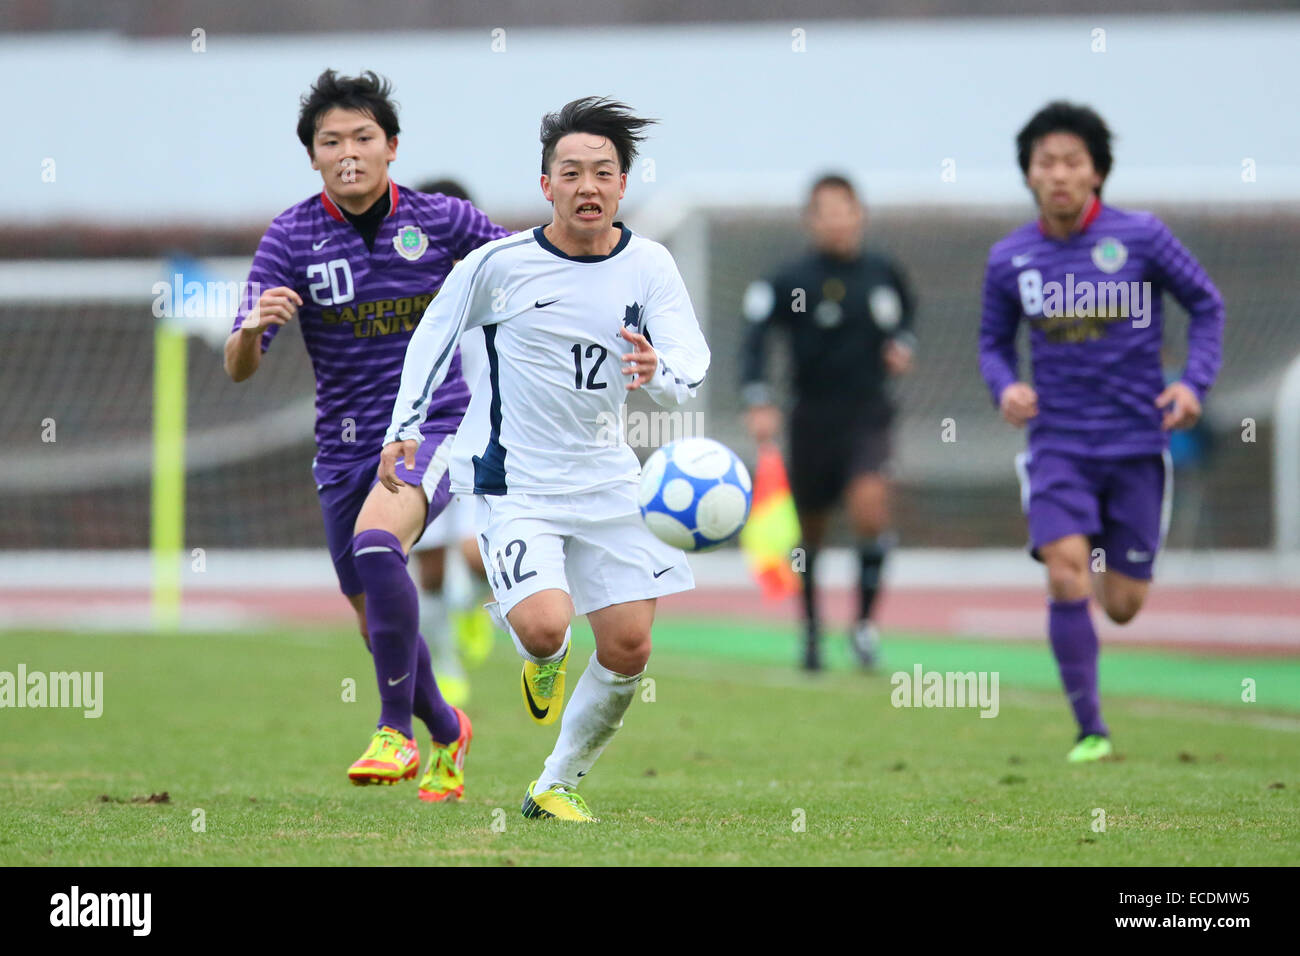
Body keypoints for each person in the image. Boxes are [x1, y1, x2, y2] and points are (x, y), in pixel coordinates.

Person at [380, 96, 709, 822]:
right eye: (571, 173)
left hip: (610, 480)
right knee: (545, 627)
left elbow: (690, 365)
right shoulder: (499, 265)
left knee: (629, 648)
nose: (587, 186)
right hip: (516, 482)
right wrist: (401, 428)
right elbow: (433, 335)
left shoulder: (650, 265)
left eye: (603, 172)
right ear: (546, 185)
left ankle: (555, 783)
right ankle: (541, 656)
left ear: (624, 183)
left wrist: (656, 368)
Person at [223, 70, 509, 800]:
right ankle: (449, 728)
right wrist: (253, 330)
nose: (348, 151)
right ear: (312, 157)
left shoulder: (442, 221)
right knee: (376, 617)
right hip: (342, 446)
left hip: (429, 424)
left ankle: (395, 732)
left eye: (362, 137)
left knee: (382, 546)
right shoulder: (291, 235)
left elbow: (530, 269)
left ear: (391, 147)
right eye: (331, 141)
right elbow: (238, 368)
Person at [978, 101, 1224, 762]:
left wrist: (1192, 384)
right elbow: (992, 344)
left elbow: (1206, 303)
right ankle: (1091, 729)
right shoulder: (1010, 259)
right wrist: (1006, 387)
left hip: (1138, 446)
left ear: (1097, 173)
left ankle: (1102, 678)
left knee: (1122, 604)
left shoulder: (1141, 238)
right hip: (1058, 446)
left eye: (1072, 162)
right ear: (1028, 175)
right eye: (1045, 163)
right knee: (1065, 575)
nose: (1058, 174)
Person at [740, 174, 917, 672]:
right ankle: (813, 631)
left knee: (869, 509)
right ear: (811, 220)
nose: (838, 220)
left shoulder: (883, 272)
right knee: (810, 531)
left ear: (859, 214)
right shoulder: (788, 278)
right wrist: (758, 398)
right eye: (826, 211)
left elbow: (908, 318)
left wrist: (905, 345)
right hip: (810, 418)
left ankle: (863, 627)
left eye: (846, 209)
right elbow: (754, 339)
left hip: (868, 415)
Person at [407, 177, 499, 707]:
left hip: (483, 442)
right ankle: (443, 660)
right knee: (434, 566)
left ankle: (475, 607)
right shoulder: (413, 298)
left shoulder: (494, 291)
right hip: (429, 444)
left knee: (477, 554)